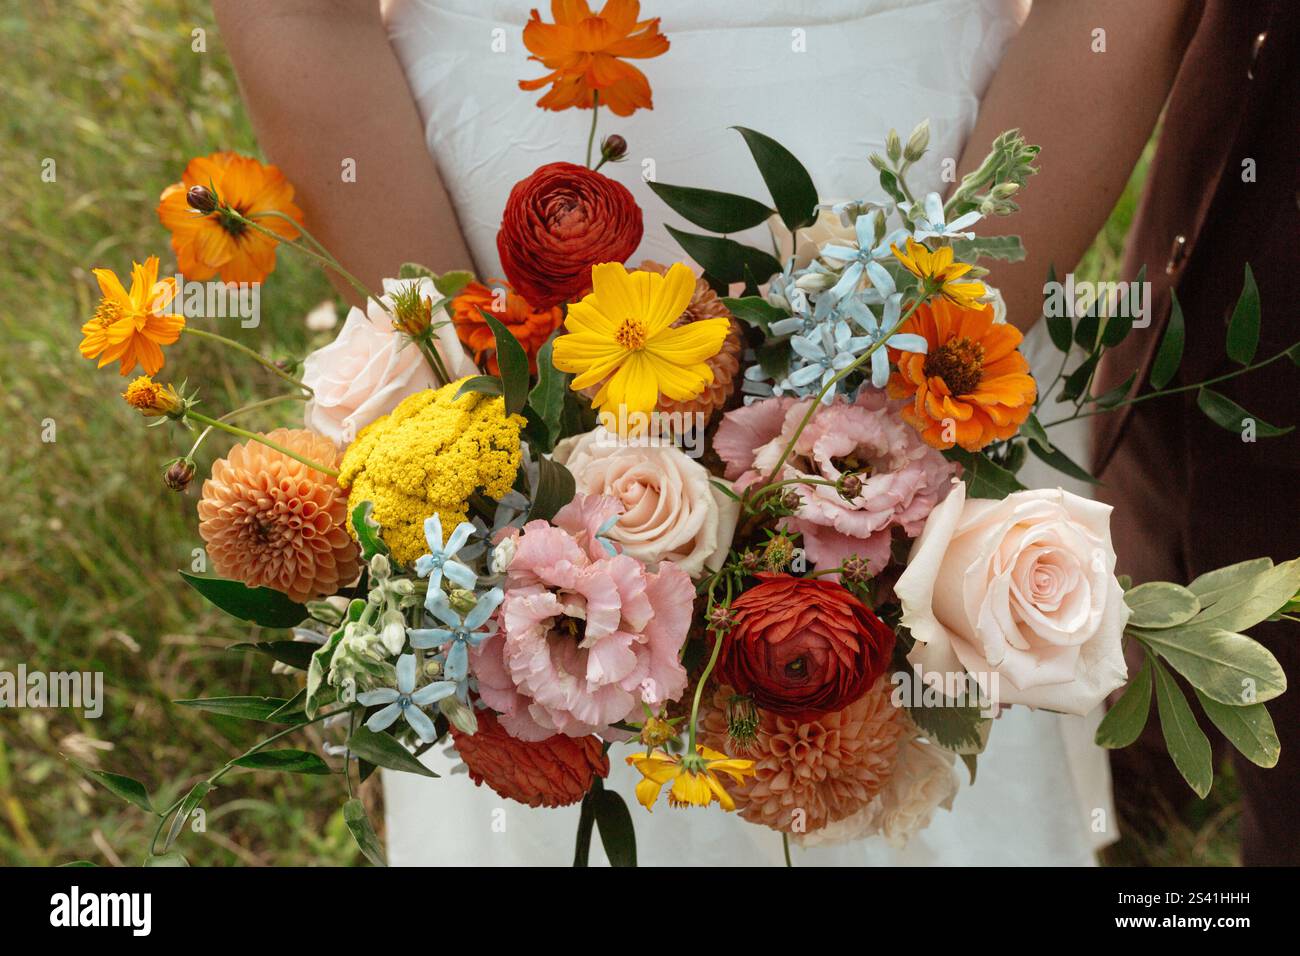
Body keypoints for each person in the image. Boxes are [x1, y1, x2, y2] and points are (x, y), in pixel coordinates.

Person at [212, 0, 1191, 865]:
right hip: (476, 219)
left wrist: (921, 377)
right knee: (541, 669)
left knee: (901, 721)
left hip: (936, 231)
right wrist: (470, 385)